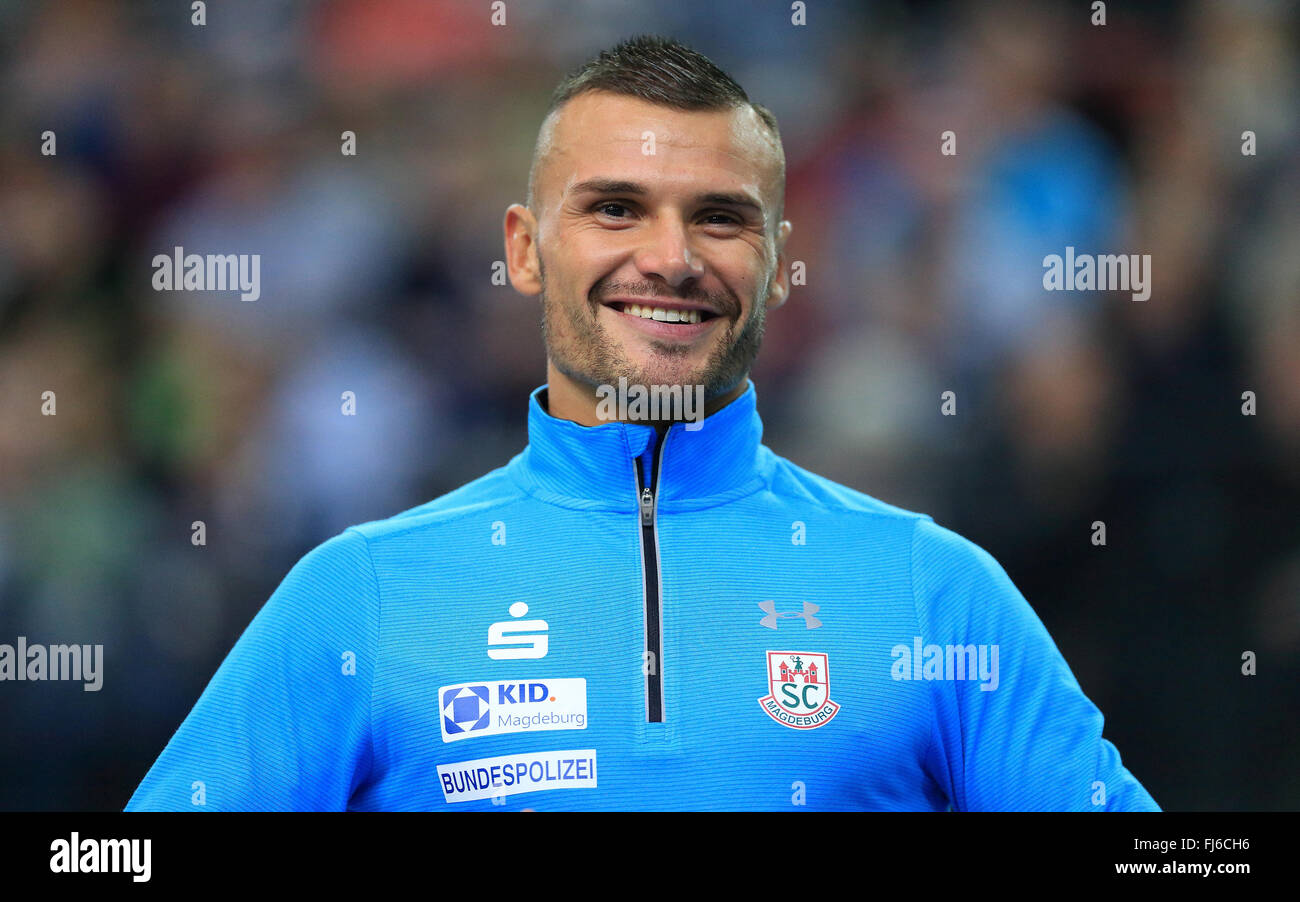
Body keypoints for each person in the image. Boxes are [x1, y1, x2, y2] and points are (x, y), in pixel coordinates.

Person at [126, 35, 1158, 811]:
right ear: (525, 250)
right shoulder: (360, 594)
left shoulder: (934, 590)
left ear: (781, 262)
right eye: (615, 208)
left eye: (719, 216)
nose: (670, 256)